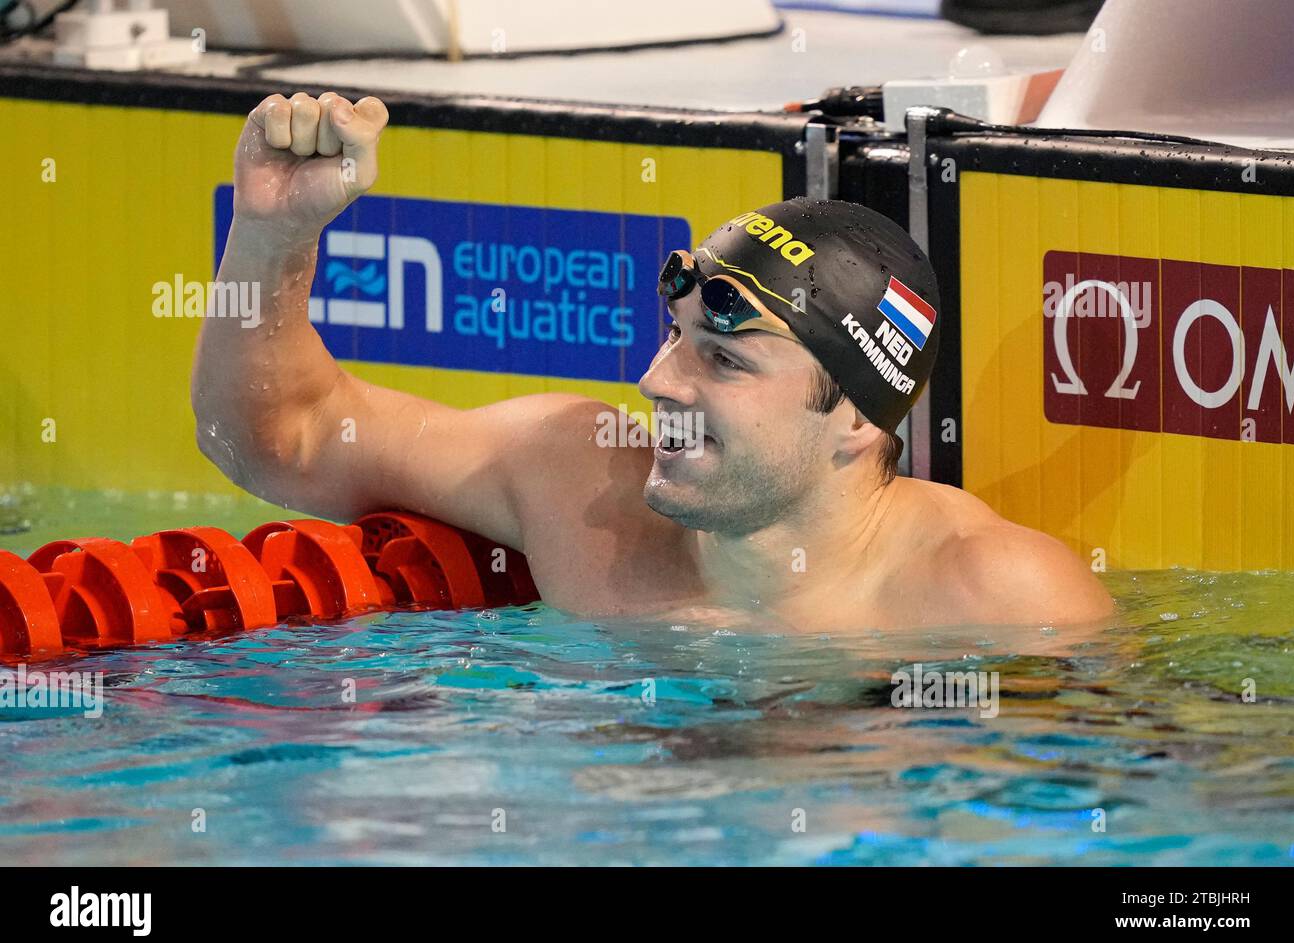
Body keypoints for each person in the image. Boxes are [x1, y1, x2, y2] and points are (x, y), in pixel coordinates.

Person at [191, 91, 1114, 634]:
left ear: (858, 418)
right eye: (674, 336)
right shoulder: (576, 480)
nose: (658, 382)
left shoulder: (993, 596)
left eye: (725, 361)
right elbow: (272, 438)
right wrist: (274, 233)